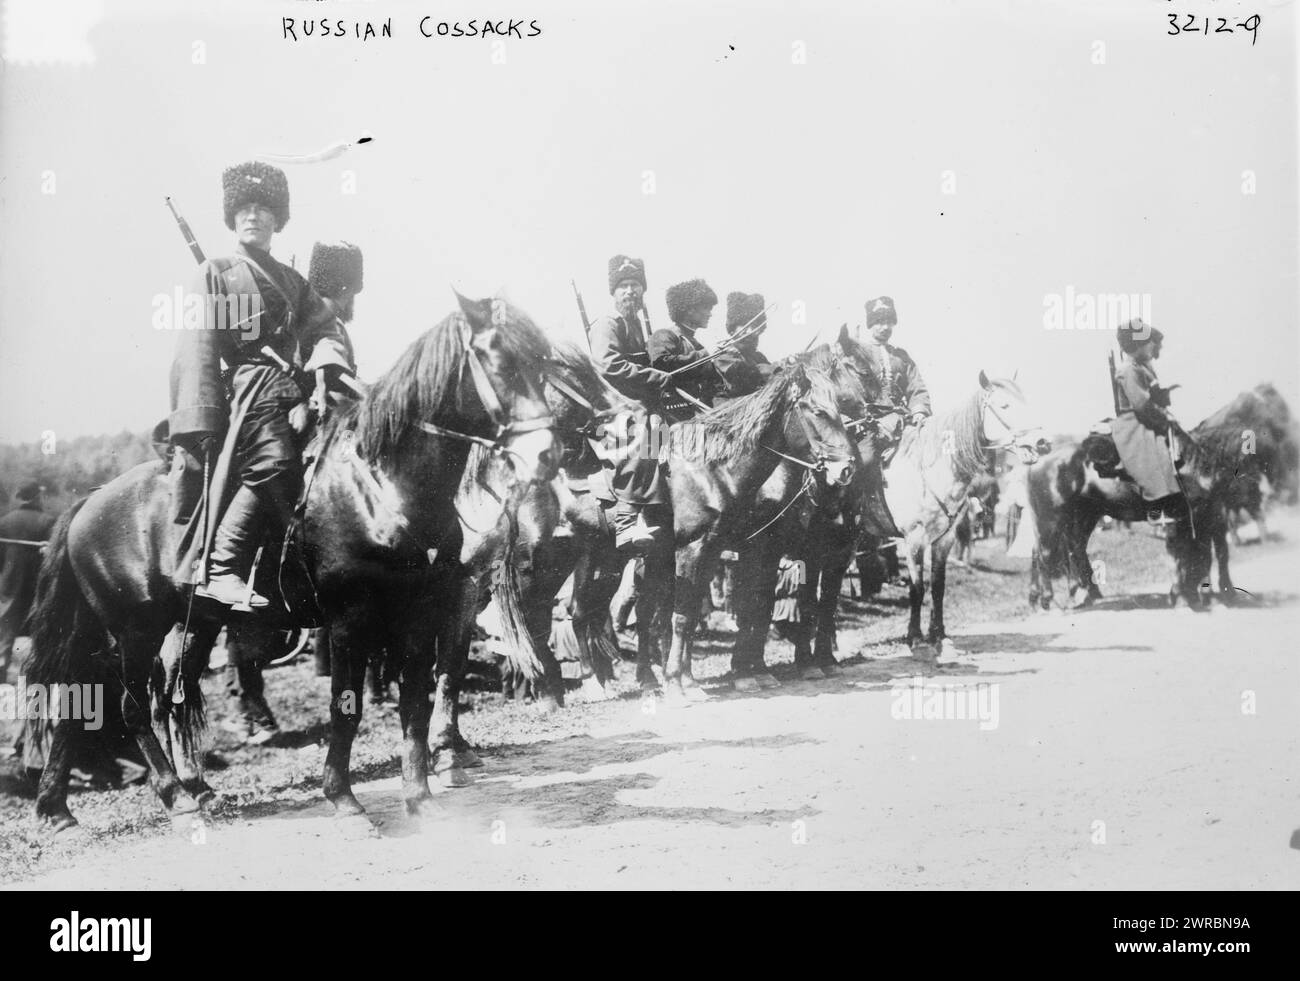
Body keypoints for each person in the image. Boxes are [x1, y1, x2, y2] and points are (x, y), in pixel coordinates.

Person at [169, 161, 354, 609]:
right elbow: (197, 348)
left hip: (294, 388)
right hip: (249, 390)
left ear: (278, 218)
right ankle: (222, 566)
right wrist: (203, 418)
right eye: (244, 208)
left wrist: (326, 361)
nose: (253, 216)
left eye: (263, 209)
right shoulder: (214, 272)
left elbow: (325, 330)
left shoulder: (294, 282)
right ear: (232, 216)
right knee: (275, 459)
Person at [589, 255, 675, 549]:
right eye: (623, 286)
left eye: (635, 285)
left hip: (637, 403)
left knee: (669, 435)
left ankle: (655, 507)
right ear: (613, 292)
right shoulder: (608, 323)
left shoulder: (636, 326)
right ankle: (626, 519)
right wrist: (654, 377)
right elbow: (608, 365)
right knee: (644, 436)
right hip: (612, 406)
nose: (630, 291)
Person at [1112, 319, 1184, 509]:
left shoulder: (1141, 367)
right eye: (1149, 343)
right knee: (1157, 449)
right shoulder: (1128, 370)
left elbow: (1150, 395)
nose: (1153, 346)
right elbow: (1141, 404)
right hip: (1134, 421)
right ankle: (1161, 500)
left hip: (1144, 417)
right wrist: (1162, 416)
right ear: (1138, 345)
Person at [852, 295, 932, 466]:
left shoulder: (900, 357)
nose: (885, 327)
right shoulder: (857, 355)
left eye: (889, 322)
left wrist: (919, 411)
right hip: (868, 424)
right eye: (880, 322)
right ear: (871, 324)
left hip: (901, 422)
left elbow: (916, 387)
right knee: (865, 460)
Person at [0, 482, 56, 682]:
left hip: (9, 586)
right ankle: (38, 678)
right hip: (36, 587)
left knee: (4, 633)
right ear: (37, 497)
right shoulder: (49, 522)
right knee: (41, 632)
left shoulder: (5, 522)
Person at [649, 278, 723, 418]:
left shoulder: (695, 343)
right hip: (674, 417)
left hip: (700, 414)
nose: (710, 314)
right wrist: (707, 355)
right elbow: (662, 364)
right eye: (706, 308)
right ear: (689, 309)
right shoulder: (664, 335)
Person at [712, 291, 773, 404]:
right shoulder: (724, 355)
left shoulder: (758, 357)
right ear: (732, 330)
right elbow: (746, 377)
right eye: (744, 325)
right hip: (728, 409)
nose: (750, 331)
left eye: (755, 326)